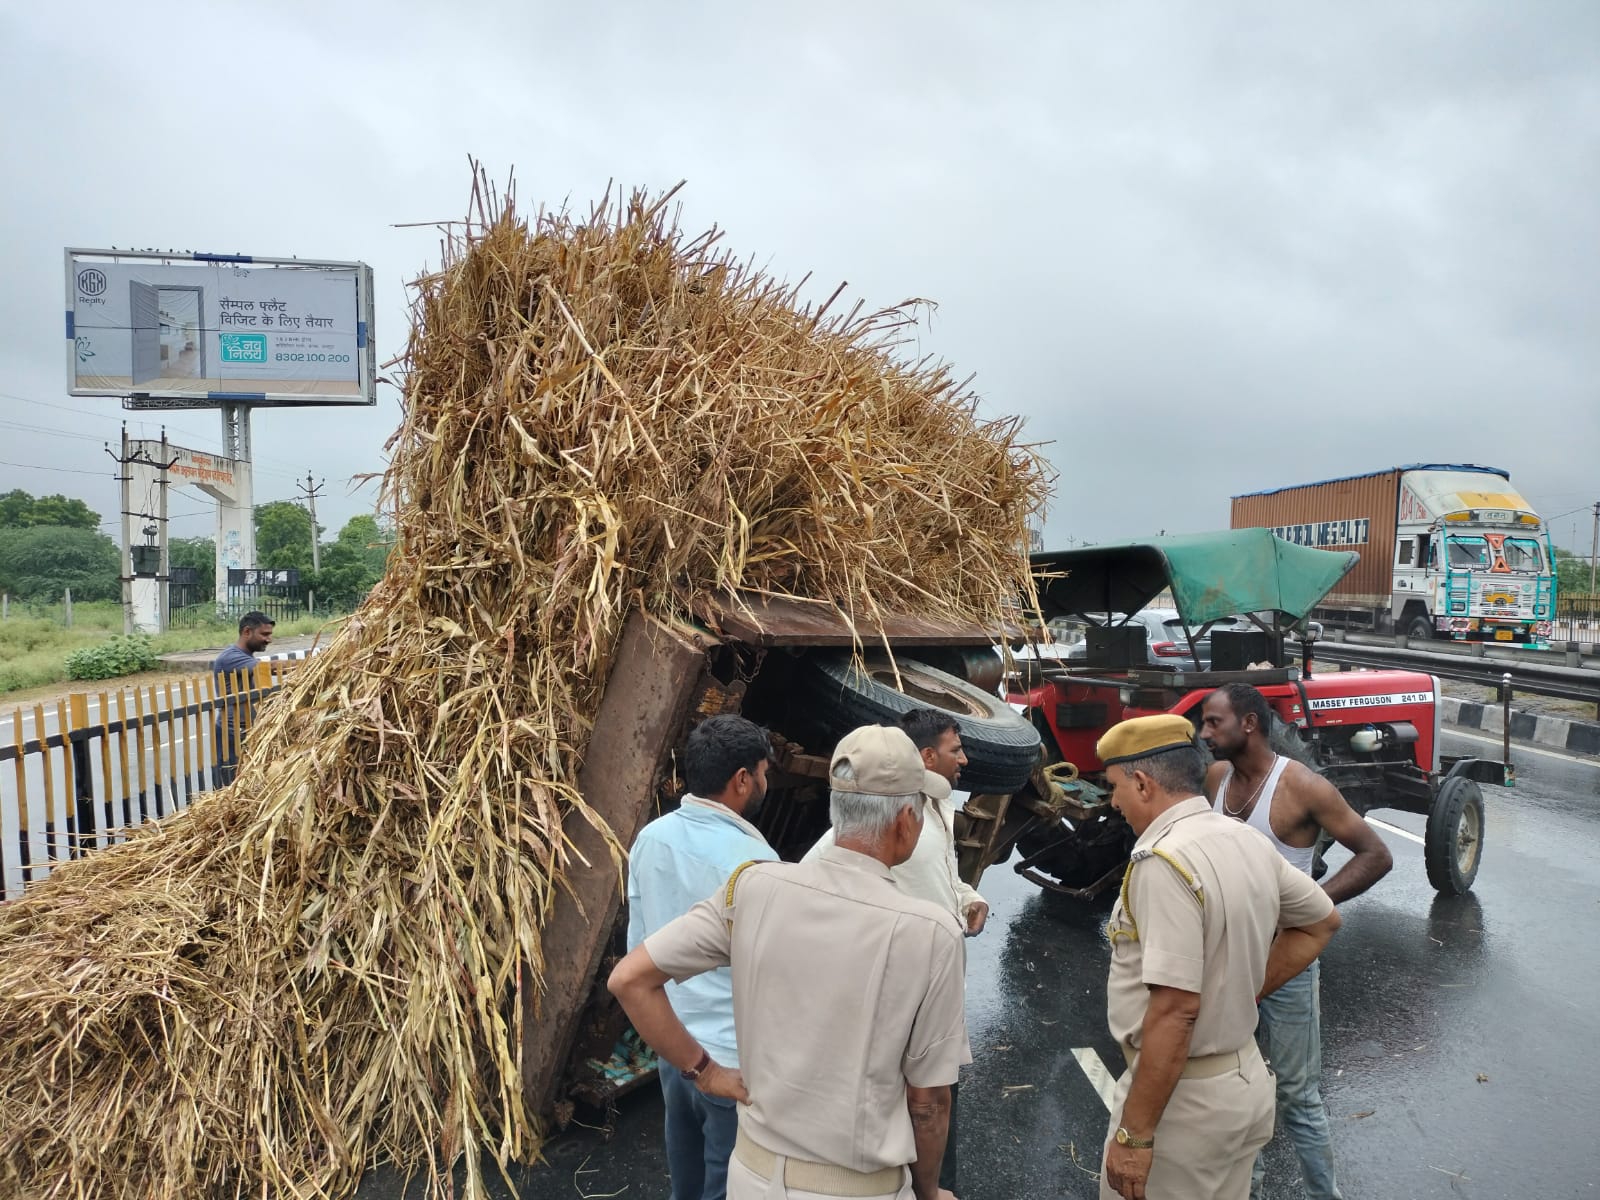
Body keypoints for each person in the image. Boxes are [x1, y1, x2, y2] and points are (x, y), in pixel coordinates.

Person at [609, 724, 969, 1200]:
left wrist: (704, 1072)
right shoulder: (932, 932)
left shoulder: (752, 887)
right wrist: (929, 1193)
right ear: (905, 819)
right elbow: (927, 1104)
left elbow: (630, 979)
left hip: (751, 1175)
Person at [1095, 714, 1342, 1200]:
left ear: (1142, 783)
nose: (1114, 802)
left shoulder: (1164, 861)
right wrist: (1244, 990)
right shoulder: (1243, 838)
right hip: (1241, 1082)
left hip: (1184, 1106)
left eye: (1114, 787)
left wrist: (1135, 1135)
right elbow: (1321, 920)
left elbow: (1176, 1008)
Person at [1200, 683, 1393, 1200]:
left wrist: (1311, 905)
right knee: (1239, 1089)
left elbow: (1376, 855)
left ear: (1249, 724)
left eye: (1213, 722)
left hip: (1287, 963)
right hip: (1228, 963)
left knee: (1297, 1097)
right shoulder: (1216, 778)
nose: (1204, 732)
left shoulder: (1303, 787)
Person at [801, 709, 987, 1197]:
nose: (964, 759)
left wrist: (968, 898)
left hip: (935, 992)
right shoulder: (886, 824)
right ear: (925, 757)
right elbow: (817, 869)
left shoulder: (936, 807)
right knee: (927, 1110)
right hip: (907, 1000)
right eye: (955, 749)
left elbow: (945, 875)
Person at [625, 714, 778, 1200]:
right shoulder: (755, 865)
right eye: (763, 772)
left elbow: (639, 950)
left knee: (686, 1182)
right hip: (732, 1064)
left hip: (675, 1048)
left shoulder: (651, 838)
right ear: (741, 780)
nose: (765, 782)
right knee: (725, 1186)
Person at [209, 611, 274, 787]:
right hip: (232, 731)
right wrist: (313, 664)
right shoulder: (230, 657)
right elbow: (269, 668)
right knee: (232, 786)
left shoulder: (245, 657)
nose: (268, 639)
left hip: (246, 730)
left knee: (248, 784)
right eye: (264, 634)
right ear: (247, 632)